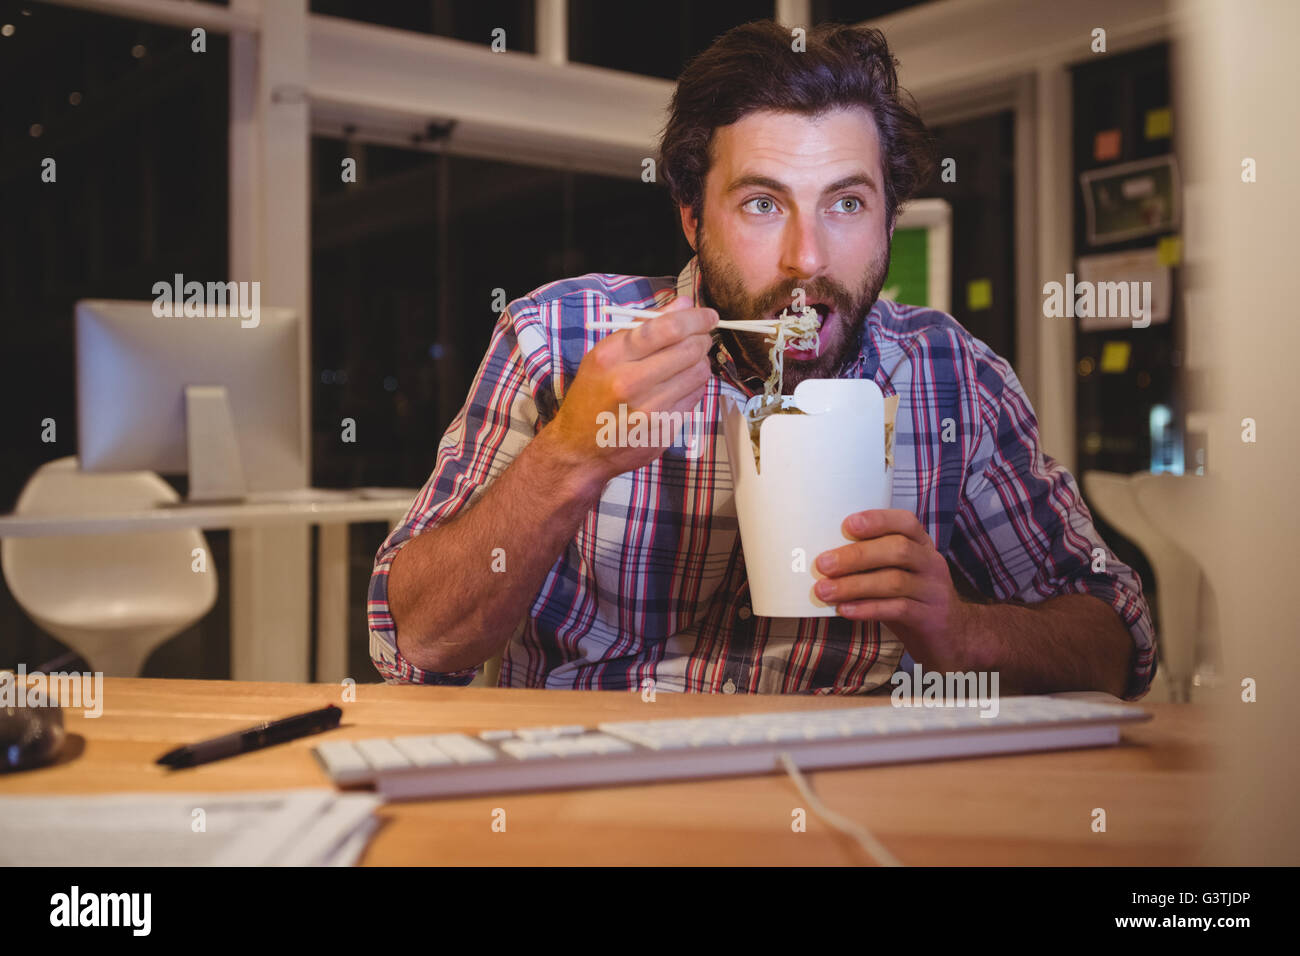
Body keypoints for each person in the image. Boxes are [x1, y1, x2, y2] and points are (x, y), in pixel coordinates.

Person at [367, 20, 1156, 699]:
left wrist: (964, 632)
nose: (806, 258)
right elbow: (416, 646)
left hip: (850, 799)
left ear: (889, 221)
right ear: (691, 217)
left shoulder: (954, 379)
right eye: (761, 203)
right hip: (596, 787)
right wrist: (570, 454)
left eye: (847, 203)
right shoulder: (560, 339)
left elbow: (1118, 640)